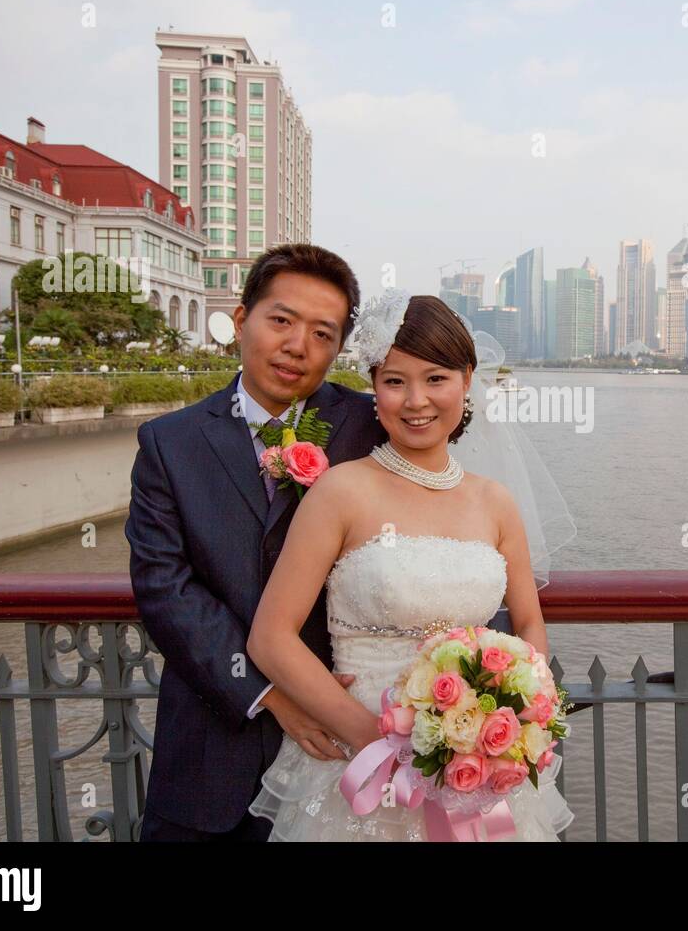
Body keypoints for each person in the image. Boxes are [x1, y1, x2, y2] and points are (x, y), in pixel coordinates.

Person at [245, 291, 575, 840]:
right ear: (374, 389)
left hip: (479, 768)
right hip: (360, 762)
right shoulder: (340, 491)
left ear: (467, 381)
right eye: (395, 381)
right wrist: (381, 742)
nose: (415, 400)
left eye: (436, 378)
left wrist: (521, 711)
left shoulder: (496, 502)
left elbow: (529, 623)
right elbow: (270, 637)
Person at [124, 244, 386, 841]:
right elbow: (165, 587)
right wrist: (269, 692)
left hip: (342, 756)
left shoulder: (374, 427)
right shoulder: (170, 443)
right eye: (281, 320)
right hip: (211, 751)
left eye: (323, 333)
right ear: (241, 321)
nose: (298, 346)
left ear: (339, 348)